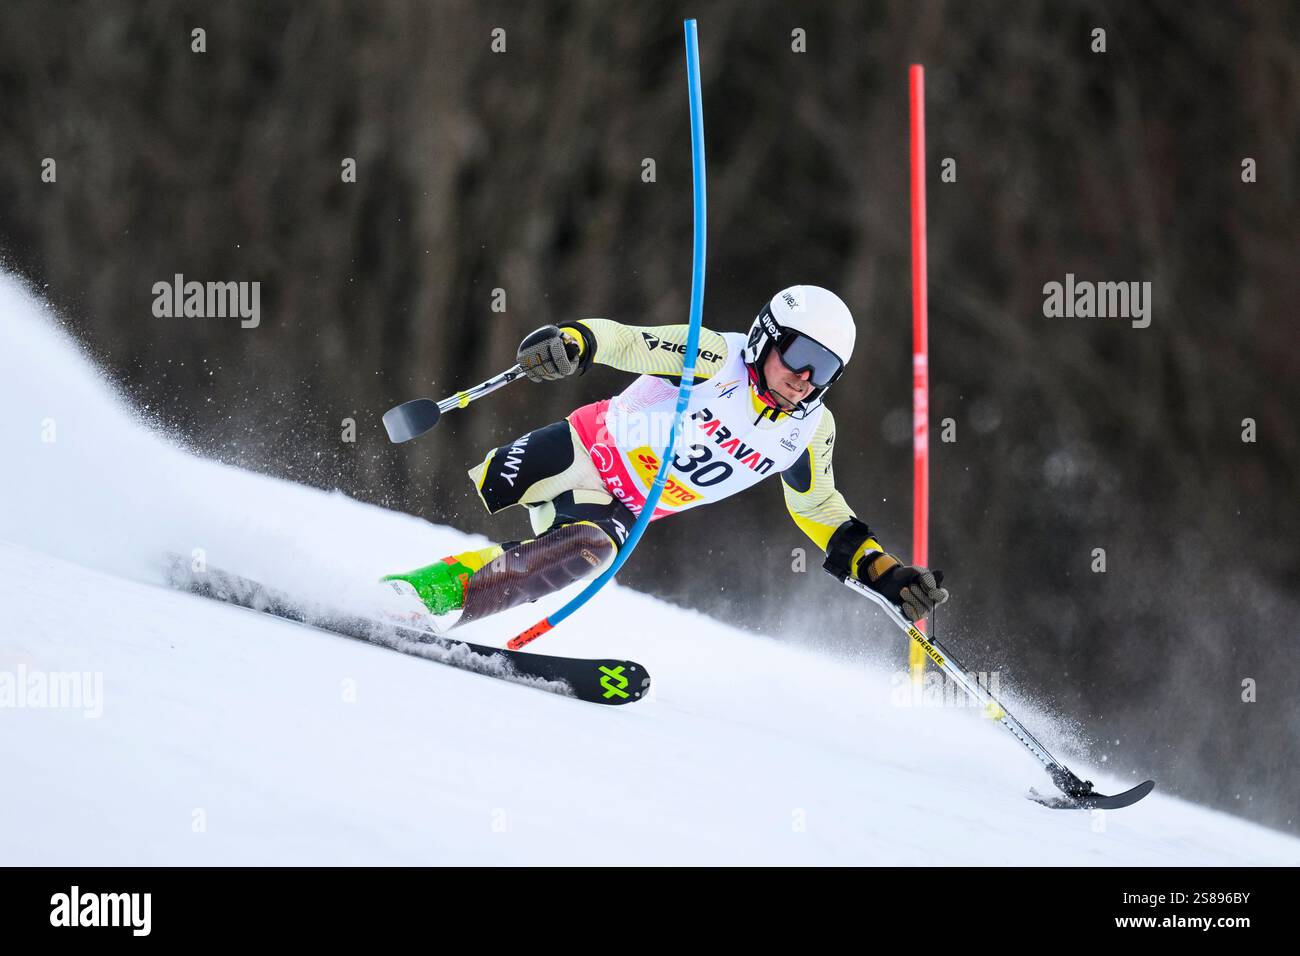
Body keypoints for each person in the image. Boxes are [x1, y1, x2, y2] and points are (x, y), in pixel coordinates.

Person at [382, 285, 948, 631]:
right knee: (466, 492)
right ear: (764, 338)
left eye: (823, 371)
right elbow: (626, 341)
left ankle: (419, 600)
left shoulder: (809, 430)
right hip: (581, 448)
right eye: (798, 355)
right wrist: (574, 342)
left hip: (621, 506)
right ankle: (368, 567)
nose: (804, 378)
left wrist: (882, 570)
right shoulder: (714, 356)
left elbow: (820, 505)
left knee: (583, 551)